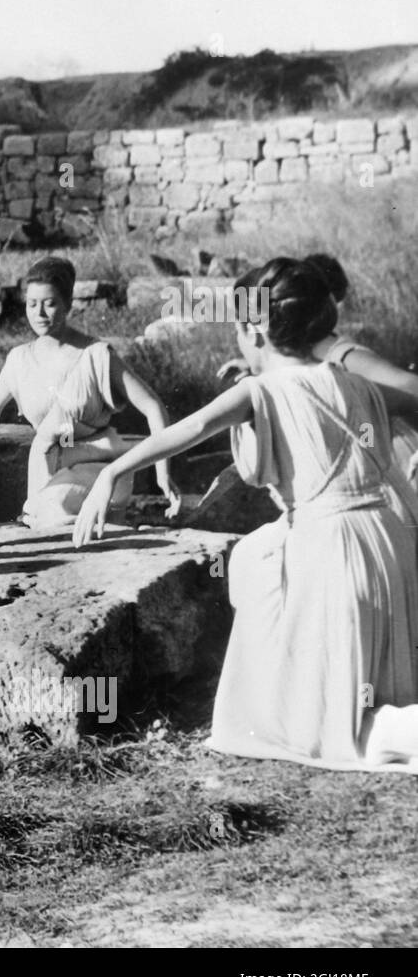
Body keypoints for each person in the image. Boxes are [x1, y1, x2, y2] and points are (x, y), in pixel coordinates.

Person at [74, 258, 418, 772]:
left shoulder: (260, 392)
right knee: (261, 560)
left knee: (334, 727)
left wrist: (111, 471)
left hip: (333, 551)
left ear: (255, 330)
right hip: (388, 541)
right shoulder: (354, 383)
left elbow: (190, 429)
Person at [0, 257, 182, 529]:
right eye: (32, 304)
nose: (40, 314)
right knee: (42, 519)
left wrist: (163, 472)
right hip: (46, 468)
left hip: (99, 466)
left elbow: (153, 407)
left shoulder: (96, 355)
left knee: (52, 512)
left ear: (68, 303)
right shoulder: (19, 359)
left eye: (49, 303)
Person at [216, 253, 418, 526]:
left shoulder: (342, 355)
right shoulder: (304, 359)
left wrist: (360, 408)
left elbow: (411, 388)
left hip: (383, 470)